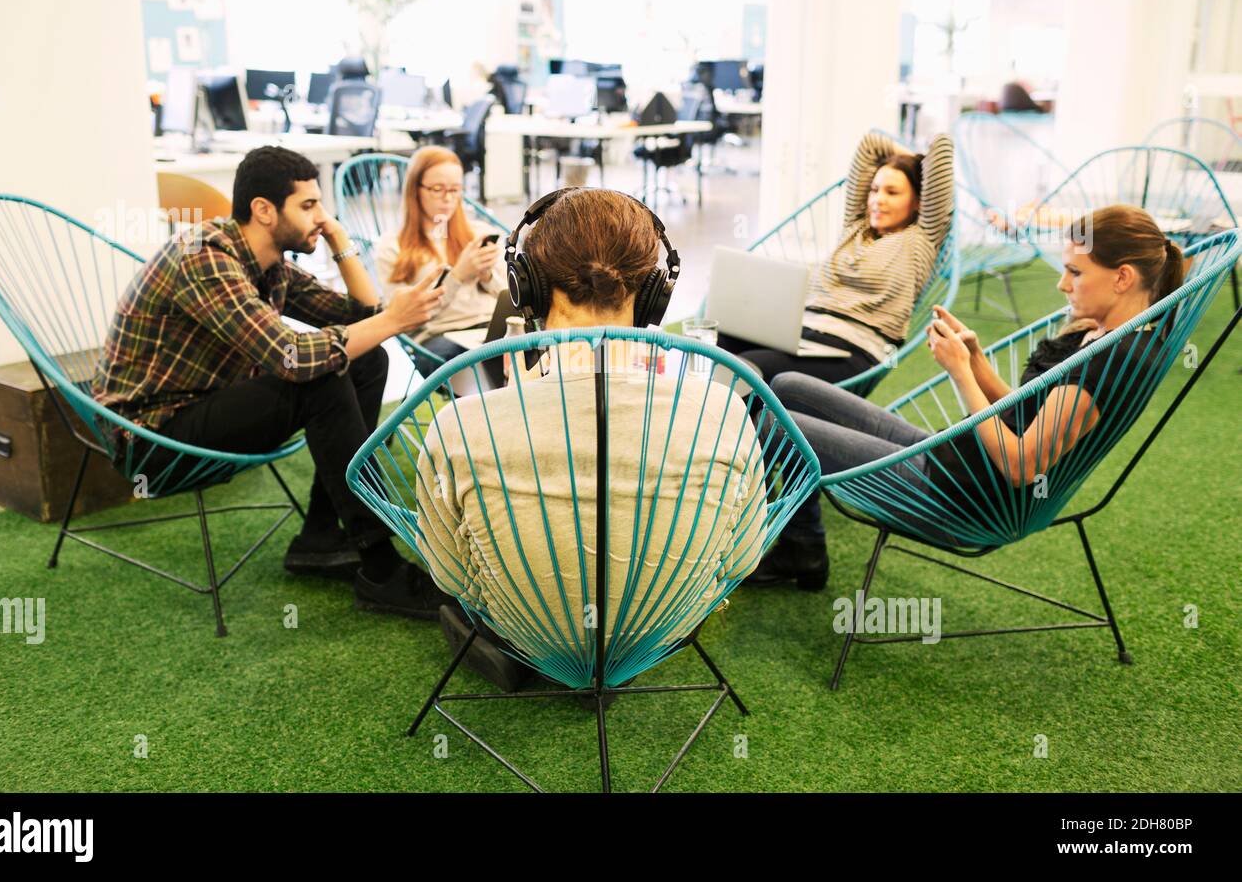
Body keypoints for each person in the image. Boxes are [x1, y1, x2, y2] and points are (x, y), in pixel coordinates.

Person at [411, 188, 768, 692]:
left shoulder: (459, 426)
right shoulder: (724, 411)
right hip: (666, 629)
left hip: (526, 633)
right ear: (654, 297)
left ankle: (539, 659)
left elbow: (450, 575)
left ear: (525, 288)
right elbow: (743, 559)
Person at [92, 145, 457, 619]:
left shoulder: (271, 266)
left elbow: (366, 316)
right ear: (264, 210)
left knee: (368, 362)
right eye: (309, 206)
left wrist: (341, 241)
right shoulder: (204, 257)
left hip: (206, 406)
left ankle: (322, 537)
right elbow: (295, 357)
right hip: (150, 437)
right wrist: (391, 320)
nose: (320, 218)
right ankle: (381, 568)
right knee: (321, 380)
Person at [760, 205, 1183, 588]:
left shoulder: (1110, 363)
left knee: (768, 424)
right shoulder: (1108, 332)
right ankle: (802, 542)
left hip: (959, 498)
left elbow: (1021, 466)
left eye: (1075, 272)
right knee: (790, 386)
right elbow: (1032, 409)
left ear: (1123, 277)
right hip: (953, 459)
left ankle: (804, 546)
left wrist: (961, 373)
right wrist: (977, 361)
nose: (1061, 284)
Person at [717, 130, 956, 386]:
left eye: (892, 192)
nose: (878, 200)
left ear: (919, 202)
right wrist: (899, 163)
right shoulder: (855, 226)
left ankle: (739, 422)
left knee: (749, 368)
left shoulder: (922, 237)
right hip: (803, 334)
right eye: (874, 190)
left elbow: (941, 145)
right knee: (722, 339)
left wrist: (917, 163)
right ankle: (738, 422)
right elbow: (870, 144)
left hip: (854, 350)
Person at [374, 145, 506, 375]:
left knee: (537, 344)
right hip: (439, 338)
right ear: (415, 190)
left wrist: (486, 275)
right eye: (437, 189)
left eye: (455, 190)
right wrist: (457, 276)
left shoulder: (479, 234)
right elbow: (404, 318)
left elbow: (511, 296)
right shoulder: (392, 247)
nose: (448, 199)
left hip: (492, 330)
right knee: (484, 364)